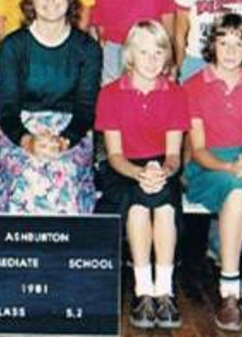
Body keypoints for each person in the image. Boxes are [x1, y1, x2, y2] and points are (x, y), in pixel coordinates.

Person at [182, 14, 242, 332]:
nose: (231, 50)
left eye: (239, 43)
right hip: (209, 166)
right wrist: (230, 168)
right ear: (212, 46)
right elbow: (197, 149)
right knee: (236, 193)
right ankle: (228, 292)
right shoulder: (194, 85)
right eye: (224, 43)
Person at [95, 20, 189, 330]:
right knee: (137, 204)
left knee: (162, 205)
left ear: (167, 57)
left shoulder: (175, 94)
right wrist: (140, 174)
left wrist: (163, 171)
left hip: (160, 167)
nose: (151, 59)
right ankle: (142, 290)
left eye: (158, 52)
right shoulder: (110, 94)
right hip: (123, 168)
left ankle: (164, 290)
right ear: (130, 55)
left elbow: (174, 155)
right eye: (143, 51)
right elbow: (115, 154)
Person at [0, 0, 101, 213]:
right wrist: (28, 141)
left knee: (64, 172)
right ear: (30, 0)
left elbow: (85, 109)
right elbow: (6, 110)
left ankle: (65, 252)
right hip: (19, 131)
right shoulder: (12, 46)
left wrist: (64, 142)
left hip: (71, 131)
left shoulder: (87, 49)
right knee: (28, 172)